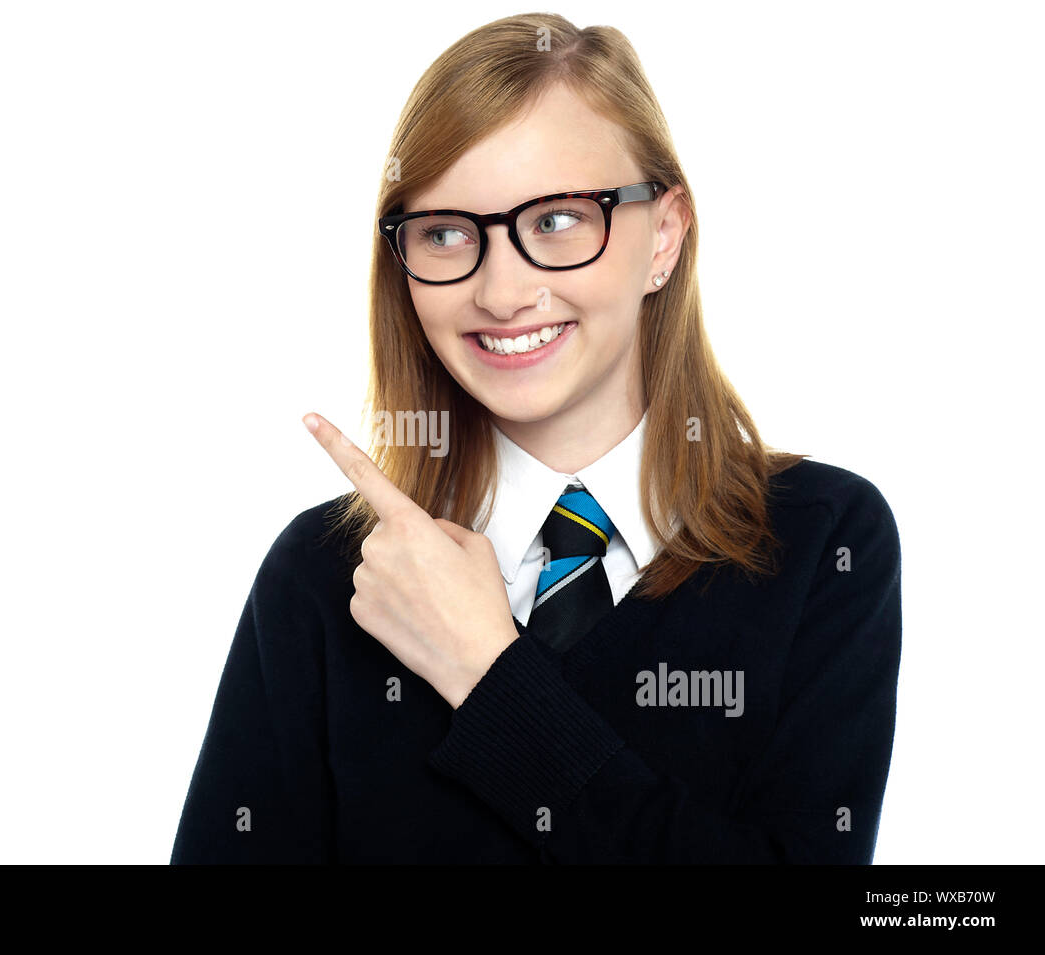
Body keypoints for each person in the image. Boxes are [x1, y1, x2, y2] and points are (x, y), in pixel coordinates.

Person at [169, 13, 901, 864]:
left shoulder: (820, 541)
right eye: (445, 233)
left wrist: (487, 673)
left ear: (663, 235)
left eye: (556, 220)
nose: (502, 291)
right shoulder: (329, 577)